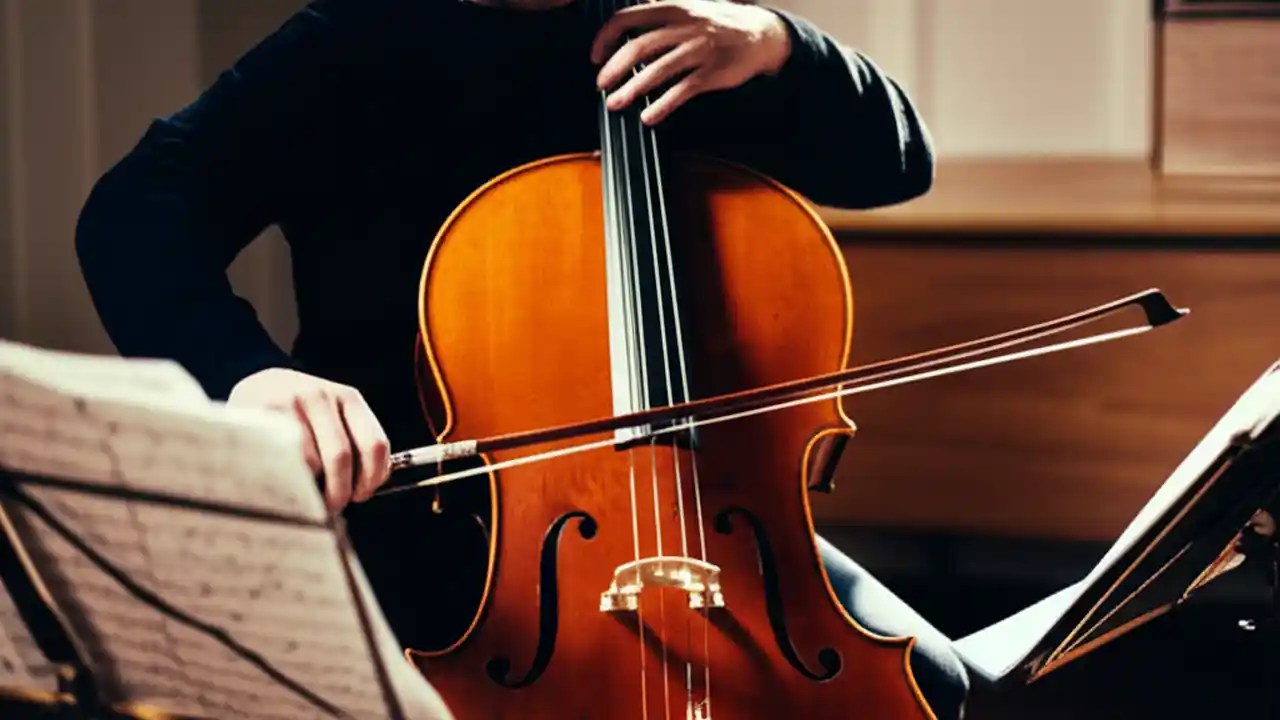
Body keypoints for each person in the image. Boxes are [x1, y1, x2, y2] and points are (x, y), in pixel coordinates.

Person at [75, 0, 968, 716]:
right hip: (429, 516)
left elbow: (895, 163)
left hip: (706, 519)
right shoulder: (351, 42)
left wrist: (779, 44)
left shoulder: (673, 41)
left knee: (931, 681)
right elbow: (133, 209)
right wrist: (246, 371)